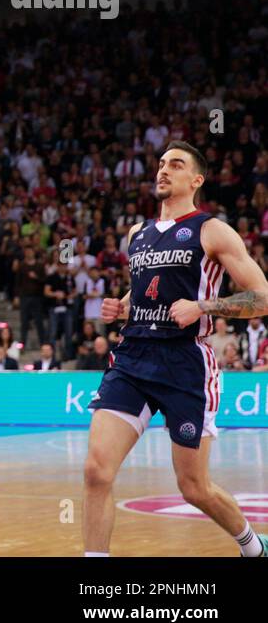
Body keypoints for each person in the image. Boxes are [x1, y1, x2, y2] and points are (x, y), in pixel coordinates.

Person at [83, 142, 268, 557]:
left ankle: (253, 546)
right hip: (132, 357)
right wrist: (122, 307)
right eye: (162, 163)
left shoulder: (212, 230)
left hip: (186, 363)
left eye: (176, 165)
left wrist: (202, 306)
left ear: (196, 180)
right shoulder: (138, 234)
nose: (164, 171)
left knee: (193, 487)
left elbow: (262, 297)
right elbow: (147, 292)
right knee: (96, 470)